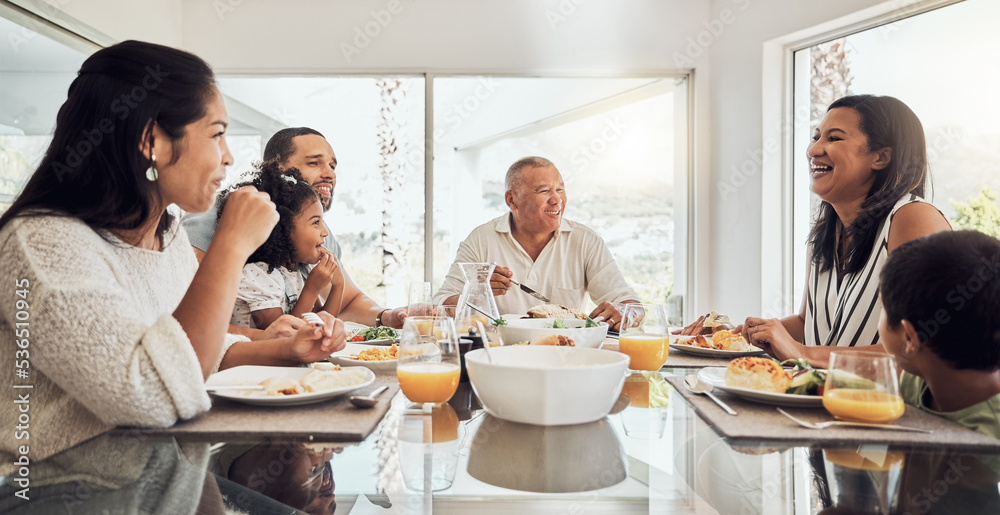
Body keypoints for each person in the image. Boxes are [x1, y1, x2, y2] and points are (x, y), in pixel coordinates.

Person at [0, 41, 346, 466]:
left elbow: (203, 352)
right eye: (217, 134)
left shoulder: (167, 234)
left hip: (160, 473)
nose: (228, 156)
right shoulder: (43, 243)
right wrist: (231, 244)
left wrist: (289, 350)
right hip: (58, 486)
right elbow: (153, 397)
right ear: (152, 141)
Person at [738, 95, 951, 368]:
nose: (814, 149)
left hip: (885, 397)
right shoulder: (825, 230)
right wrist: (742, 336)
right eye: (816, 137)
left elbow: (922, 348)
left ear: (881, 157)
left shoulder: (914, 218)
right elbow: (806, 323)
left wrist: (803, 353)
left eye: (834, 138)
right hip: (824, 393)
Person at [182, 127, 407, 330]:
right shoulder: (212, 216)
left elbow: (347, 302)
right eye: (314, 163)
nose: (330, 173)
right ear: (276, 170)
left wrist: (388, 317)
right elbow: (188, 313)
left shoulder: (318, 234)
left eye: (332, 165)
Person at [434, 156, 639, 328]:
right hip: (498, 353)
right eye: (544, 191)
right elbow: (439, 305)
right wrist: (476, 292)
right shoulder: (480, 239)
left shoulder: (586, 240)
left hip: (564, 353)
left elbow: (632, 305)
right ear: (511, 200)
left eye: (560, 189)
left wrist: (625, 311)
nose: (557, 200)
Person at [878, 230, 1000, 439]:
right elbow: (873, 455)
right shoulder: (912, 381)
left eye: (882, 307)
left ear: (909, 337)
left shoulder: (988, 441)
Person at [222, 164, 341, 329]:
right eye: (316, 222)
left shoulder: (299, 271)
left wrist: (338, 286)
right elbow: (283, 335)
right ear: (284, 229)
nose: (325, 232)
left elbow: (320, 325)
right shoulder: (257, 276)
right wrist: (312, 289)